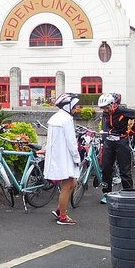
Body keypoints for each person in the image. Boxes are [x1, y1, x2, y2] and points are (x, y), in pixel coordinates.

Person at [97, 93, 135, 204]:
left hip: (121, 141)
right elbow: (104, 126)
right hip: (109, 142)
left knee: (124, 169)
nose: (105, 110)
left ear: (112, 104)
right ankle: (106, 193)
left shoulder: (122, 110)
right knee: (106, 168)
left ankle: (128, 194)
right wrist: (104, 139)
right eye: (103, 108)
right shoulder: (105, 113)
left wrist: (131, 131)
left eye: (106, 107)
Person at [46, 93, 81, 225]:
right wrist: (77, 158)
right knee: (67, 185)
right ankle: (63, 216)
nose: (76, 108)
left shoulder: (55, 118)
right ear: (68, 106)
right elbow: (71, 142)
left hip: (58, 156)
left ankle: (60, 210)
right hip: (65, 157)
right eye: (75, 105)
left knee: (72, 183)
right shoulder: (66, 119)